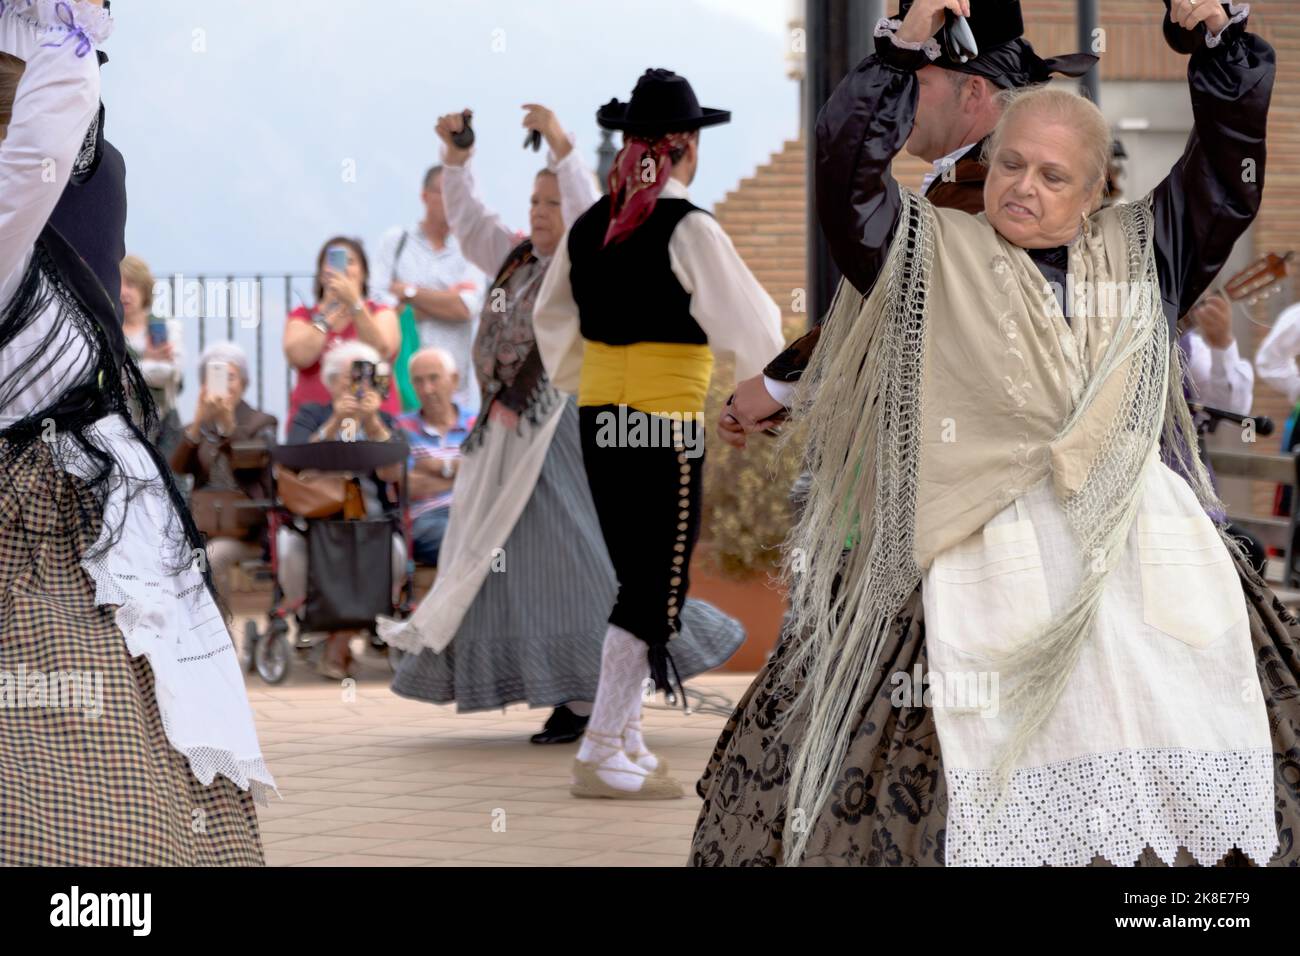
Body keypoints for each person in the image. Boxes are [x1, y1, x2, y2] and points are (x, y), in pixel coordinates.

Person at [692, 0, 1294, 867]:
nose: (1023, 187)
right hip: (965, 543)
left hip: (1142, 546)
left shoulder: (1147, 249)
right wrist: (899, 51)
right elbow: (848, 178)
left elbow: (1224, 175)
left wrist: (1220, 41)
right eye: (1013, 163)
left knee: (1196, 737)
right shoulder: (924, 250)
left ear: (1095, 197)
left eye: (1055, 178)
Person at [381, 103, 747, 748]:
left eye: (551, 200)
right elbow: (470, 224)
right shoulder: (516, 259)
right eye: (534, 200)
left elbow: (585, 205)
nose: (541, 210)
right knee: (512, 565)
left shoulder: (584, 255)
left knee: (576, 560)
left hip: (559, 438)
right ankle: (569, 690)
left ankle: (587, 697)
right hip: (507, 444)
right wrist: (457, 161)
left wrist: (560, 146)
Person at [0, 0, 272, 865]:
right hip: (62, 507)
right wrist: (72, 26)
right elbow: (43, 143)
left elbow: (51, 136)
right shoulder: (39, 173)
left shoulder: (80, 162)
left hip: (100, 500)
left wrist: (65, 32)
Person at [534, 71, 786, 797]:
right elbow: (757, 327)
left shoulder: (592, 226)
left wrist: (592, 383)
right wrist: (754, 404)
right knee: (656, 585)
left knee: (636, 577)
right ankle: (602, 745)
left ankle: (626, 737)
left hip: (601, 422)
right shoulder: (688, 226)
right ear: (684, 148)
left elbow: (551, 320)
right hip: (663, 424)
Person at [719, 0, 1095, 444]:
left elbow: (904, 307)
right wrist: (782, 388)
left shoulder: (995, 196)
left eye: (915, 81)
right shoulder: (966, 183)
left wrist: (778, 387)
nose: (901, 97)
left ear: (973, 92)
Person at [280, 341, 409, 680]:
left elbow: (394, 474)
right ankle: (330, 634)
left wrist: (373, 425)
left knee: (393, 555)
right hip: (317, 520)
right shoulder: (312, 414)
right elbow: (298, 467)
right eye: (352, 377)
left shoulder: (382, 419)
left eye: (365, 376)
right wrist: (337, 421)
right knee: (290, 552)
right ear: (332, 381)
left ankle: (340, 639)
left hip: (370, 522)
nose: (359, 385)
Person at [171, 342, 278, 603]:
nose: (226, 385)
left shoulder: (261, 422)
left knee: (213, 558)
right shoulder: (201, 426)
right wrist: (198, 422)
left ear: (244, 382)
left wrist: (230, 424)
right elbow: (178, 467)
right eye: (217, 378)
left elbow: (250, 463)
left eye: (231, 377)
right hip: (203, 527)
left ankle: (219, 640)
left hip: (243, 531)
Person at [375, 165, 485, 417]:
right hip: (399, 384)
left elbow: (464, 307)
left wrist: (409, 293)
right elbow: (379, 306)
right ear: (425, 196)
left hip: (454, 390)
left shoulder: (471, 249)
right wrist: (444, 299)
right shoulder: (396, 242)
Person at [284, 236, 400, 428]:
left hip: (374, 422)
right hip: (314, 424)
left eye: (351, 261)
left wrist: (354, 304)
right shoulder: (303, 315)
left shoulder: (381, 312)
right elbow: (298, 357)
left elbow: (381, 351)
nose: (343, 268)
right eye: (335, 262)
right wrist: (328, 312)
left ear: (363, 273)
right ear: (322, 275)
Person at [398, 346, 474, 566]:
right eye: (418, 382)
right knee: (462, 541)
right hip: (427, 519)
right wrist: (463, 471)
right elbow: (409, 486)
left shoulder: (476, 423)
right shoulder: (402, 427)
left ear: (454, 380)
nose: (427, 389)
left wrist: (440, 467)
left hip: (474, 512)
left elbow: (488, 477)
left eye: (434, 378)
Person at [120, 254, 185, 458]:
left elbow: (172, 373)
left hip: (163, 428)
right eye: (119, 284)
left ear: (144, 289)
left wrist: (133, 368)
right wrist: (148, 361)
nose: (124, 292)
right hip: (121, 428)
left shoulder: (168, 327)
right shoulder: (108, 332)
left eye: (131, 284)